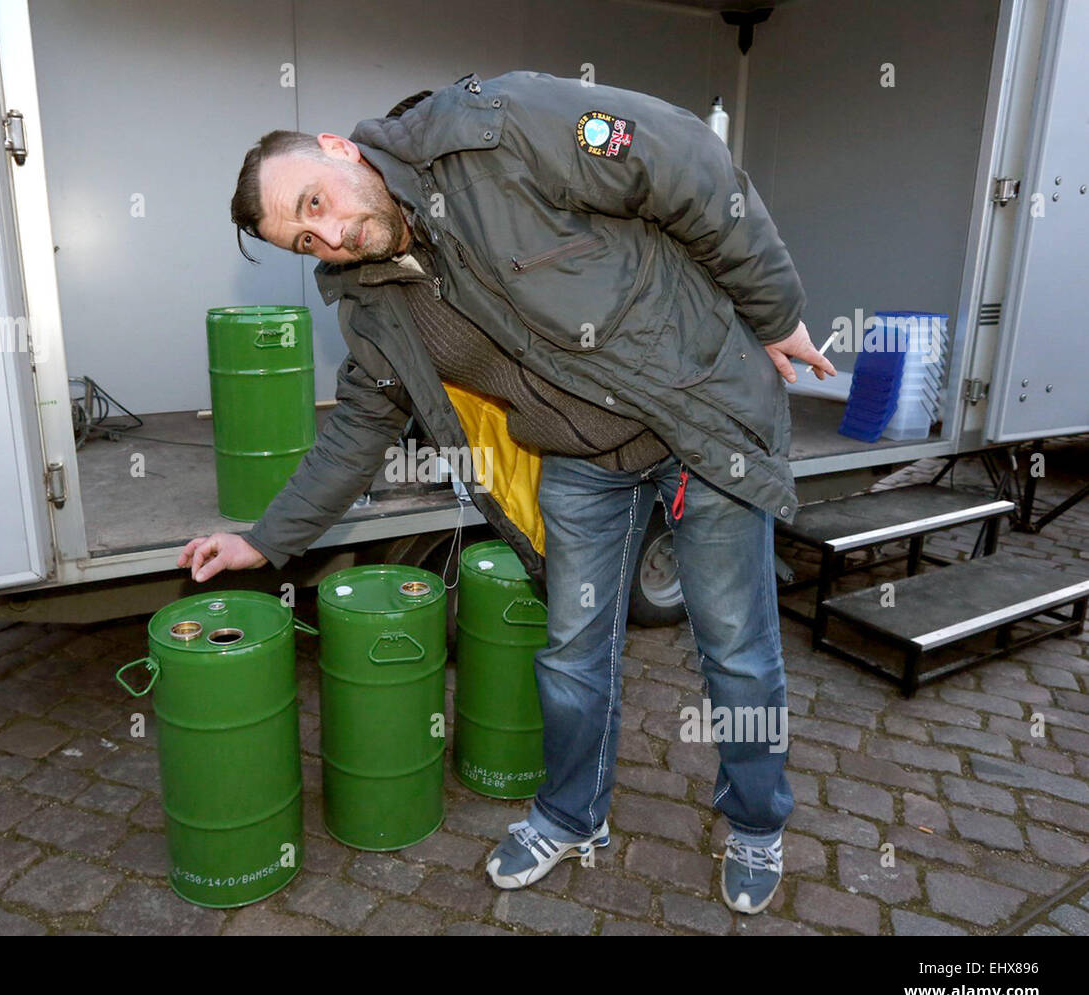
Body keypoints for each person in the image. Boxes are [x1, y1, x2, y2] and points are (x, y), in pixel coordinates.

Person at [180, 71, 836, 915]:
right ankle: (571, 815)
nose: (332, 235)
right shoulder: (371, 303)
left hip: (700, 423)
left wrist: (775, 312)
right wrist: (264, 541)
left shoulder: (498, 127)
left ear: (339, 151)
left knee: (736, 649)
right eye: (306, 242)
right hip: (580, 460)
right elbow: (359, 428)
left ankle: (755, 822)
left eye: (314, 203)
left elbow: (686, 161)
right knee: (571, 654)